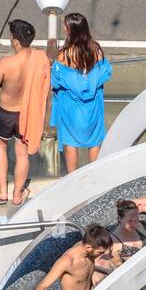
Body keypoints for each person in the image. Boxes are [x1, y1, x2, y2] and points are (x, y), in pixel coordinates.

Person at [0, 18, 50, 206]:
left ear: (15, 41)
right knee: (22, 154)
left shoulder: (6, 63)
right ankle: (17, 195)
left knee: (0, 147)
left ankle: (3, 191)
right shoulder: (39, 58)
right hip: (27, 113)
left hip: (5, 113)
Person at [51, 12, 113, 172]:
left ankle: (73, 182)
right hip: (92, 107)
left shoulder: (63, 55)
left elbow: (56, 81)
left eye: (65, 25)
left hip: (70, 107)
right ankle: (94, 179)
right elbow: (105, 73)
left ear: (70, 30)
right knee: (94, 140)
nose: (64, 28)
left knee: (71, 141)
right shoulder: (96, 50)